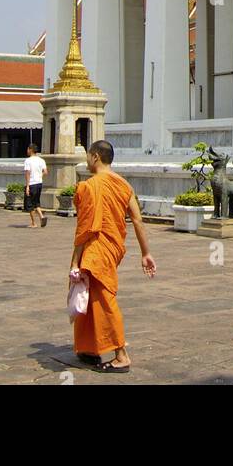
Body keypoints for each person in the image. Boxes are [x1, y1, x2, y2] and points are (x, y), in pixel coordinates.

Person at [70, 140, 156, 373]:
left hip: (96, 249)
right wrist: (145, 253)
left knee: (103, 300)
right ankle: (89, 348)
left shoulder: (89, 186)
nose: (87, 160)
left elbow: (84, 228)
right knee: (90, 298)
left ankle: (121, 354)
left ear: (95, 157)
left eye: (88, 156)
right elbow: (137, 219)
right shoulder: (124, 184)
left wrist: (76, 260)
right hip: (110, 247)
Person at [24, 143, 48, 228]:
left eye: (28, 149)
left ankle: (33, 223)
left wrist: (27, 186)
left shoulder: (28, 161)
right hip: (39, 183)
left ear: (31, 150)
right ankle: (42, 217)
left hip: (32, 183)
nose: (27, 151)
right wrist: (39, 176)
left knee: (30, 204)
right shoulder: (41, 160)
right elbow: (45, 172)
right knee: (36, 202)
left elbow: (27, 173)